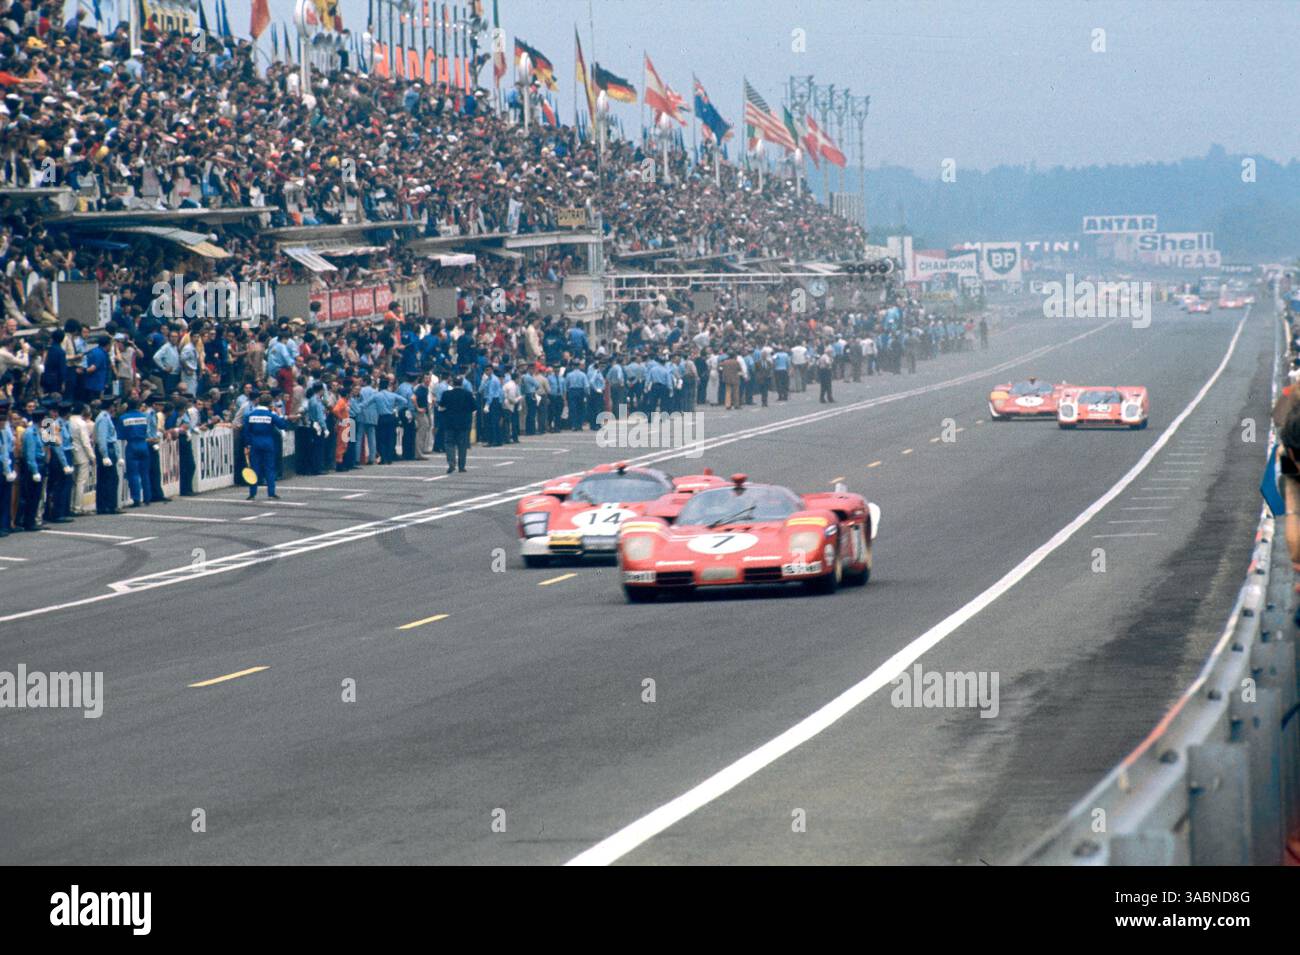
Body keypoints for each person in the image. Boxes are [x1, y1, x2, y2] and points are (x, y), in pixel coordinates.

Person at [244, 395, 292, 500]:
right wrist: (279, 415)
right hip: (268, 443)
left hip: (255, 443)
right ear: (270, 404)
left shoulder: (250, 415)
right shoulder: (271, 415)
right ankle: (271, 493)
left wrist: (247, 444)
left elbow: (246, 432)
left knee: (254, 468)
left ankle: (252, 493)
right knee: (269, 468)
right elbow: (283, 425)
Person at [117, 398, 153, 508]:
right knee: (145, 473)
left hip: (132, 445)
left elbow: (120, 435)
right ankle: (147, 498)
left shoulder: (123, 418)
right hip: (143, 444)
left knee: (133, 474)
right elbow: (147, 431)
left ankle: (136, 499)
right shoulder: (144, 416)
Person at [438, 373, 475, 473]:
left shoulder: (446, 394)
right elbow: (474, 407)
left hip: (449, 423)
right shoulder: (467, 394)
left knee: (449, 443)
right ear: (462, 383)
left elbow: (441, 406)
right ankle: (461, 466)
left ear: (453, 383)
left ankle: (451, 463)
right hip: (463, 423)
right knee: (462, 445)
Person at [94, 399, 121, 514]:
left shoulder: (104, 417)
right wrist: (104, 455)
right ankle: (109, 505)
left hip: (107, 448)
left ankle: (104, 506)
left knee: (106, 478)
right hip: (106, 449)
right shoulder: (104, 418)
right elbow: (102, 438)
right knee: (110, 478)